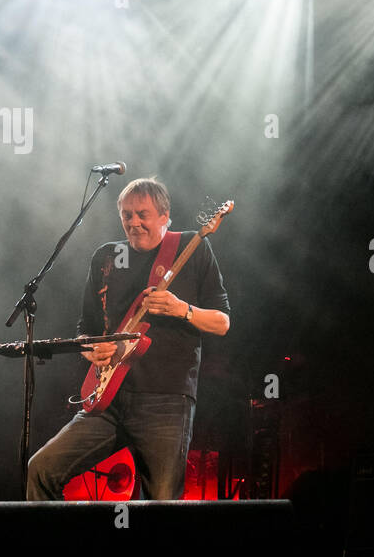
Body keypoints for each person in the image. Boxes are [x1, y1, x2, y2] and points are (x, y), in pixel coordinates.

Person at [26, 177, 230, 500]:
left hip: (166, 401)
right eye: (126, 215)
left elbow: (222, 323)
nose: (133, 223)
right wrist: (91, 350)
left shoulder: (193, 248)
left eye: (142, 214)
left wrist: (182, 310)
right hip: (108, 398)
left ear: (165, 216)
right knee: (41, 468)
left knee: (161, 503)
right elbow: (86, 327)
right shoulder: (105, 258)